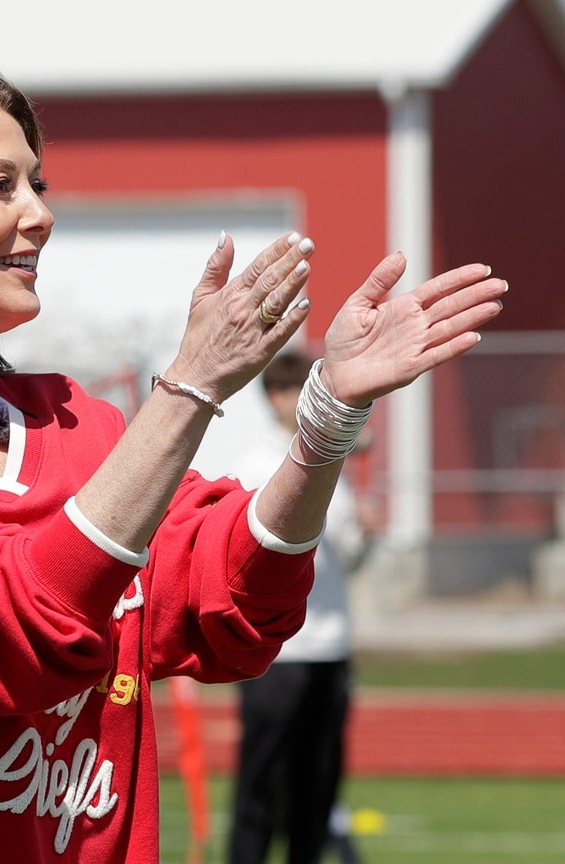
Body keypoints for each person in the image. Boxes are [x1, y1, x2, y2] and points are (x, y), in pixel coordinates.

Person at [0, 68, 506, 864]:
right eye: (0, 186)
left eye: (38, 183)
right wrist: (189, 386)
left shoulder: (71, 423)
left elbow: (230, 604)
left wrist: (327, 421)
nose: (41, 214)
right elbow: (6, 627)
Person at [227, 350, 374, 864]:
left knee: (319, 786)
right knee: (261, 786)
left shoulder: (338, 463)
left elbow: (350, 554)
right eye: (300, 391)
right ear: (277, 397)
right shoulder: (256, 463)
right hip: (276, 653)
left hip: (330, 646)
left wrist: (367, 531)